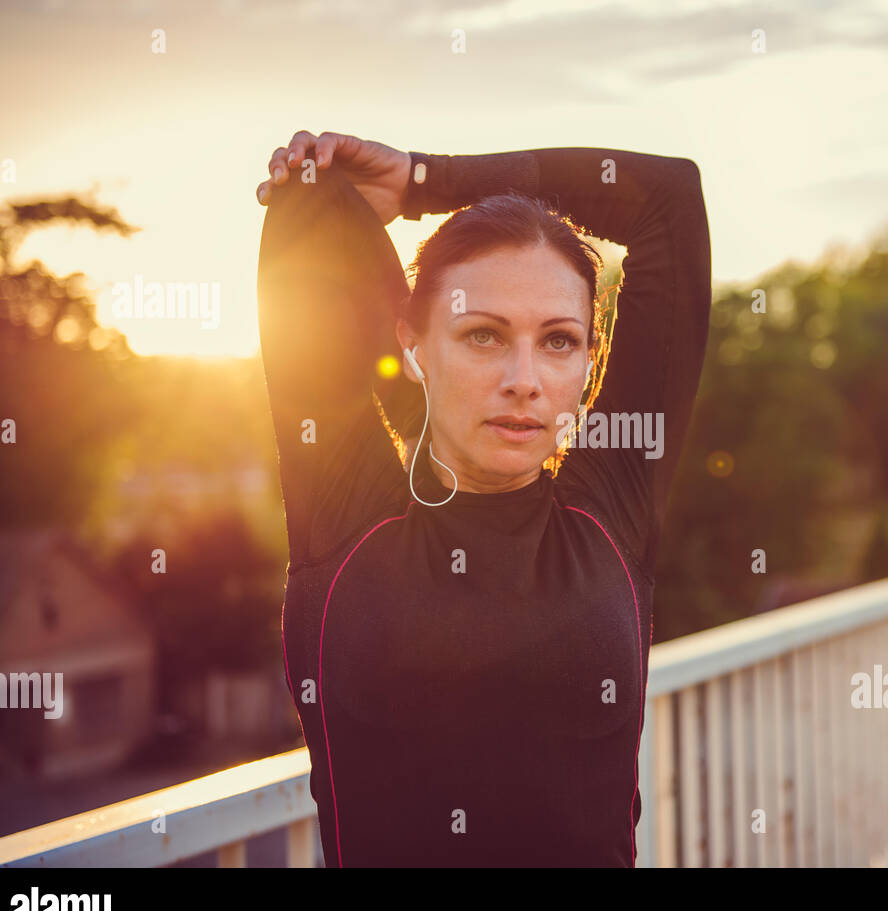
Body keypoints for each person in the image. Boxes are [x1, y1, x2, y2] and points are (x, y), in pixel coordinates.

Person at [255, 132, 711, 866]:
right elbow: (311, 204)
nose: (525, 380)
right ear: (414, 343)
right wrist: (332, 185)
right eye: (483, 335)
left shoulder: (611, 513)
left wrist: (429, 181)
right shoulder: (345, 513)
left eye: (559, 341)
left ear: (590, 361)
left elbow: (671, 197)